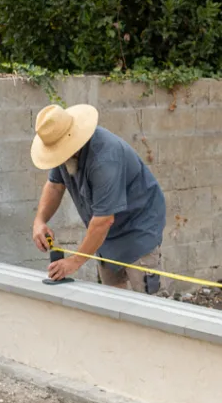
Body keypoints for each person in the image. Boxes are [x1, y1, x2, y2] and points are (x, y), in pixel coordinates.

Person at [29, 103, 167, 294]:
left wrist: (75, 261)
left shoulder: (105, 159)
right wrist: (39, 221)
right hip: (107, 238)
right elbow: (54, 186)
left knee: (148, 304)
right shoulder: (64, 153)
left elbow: (103, 221)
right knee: (110, 300)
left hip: (137, 230)